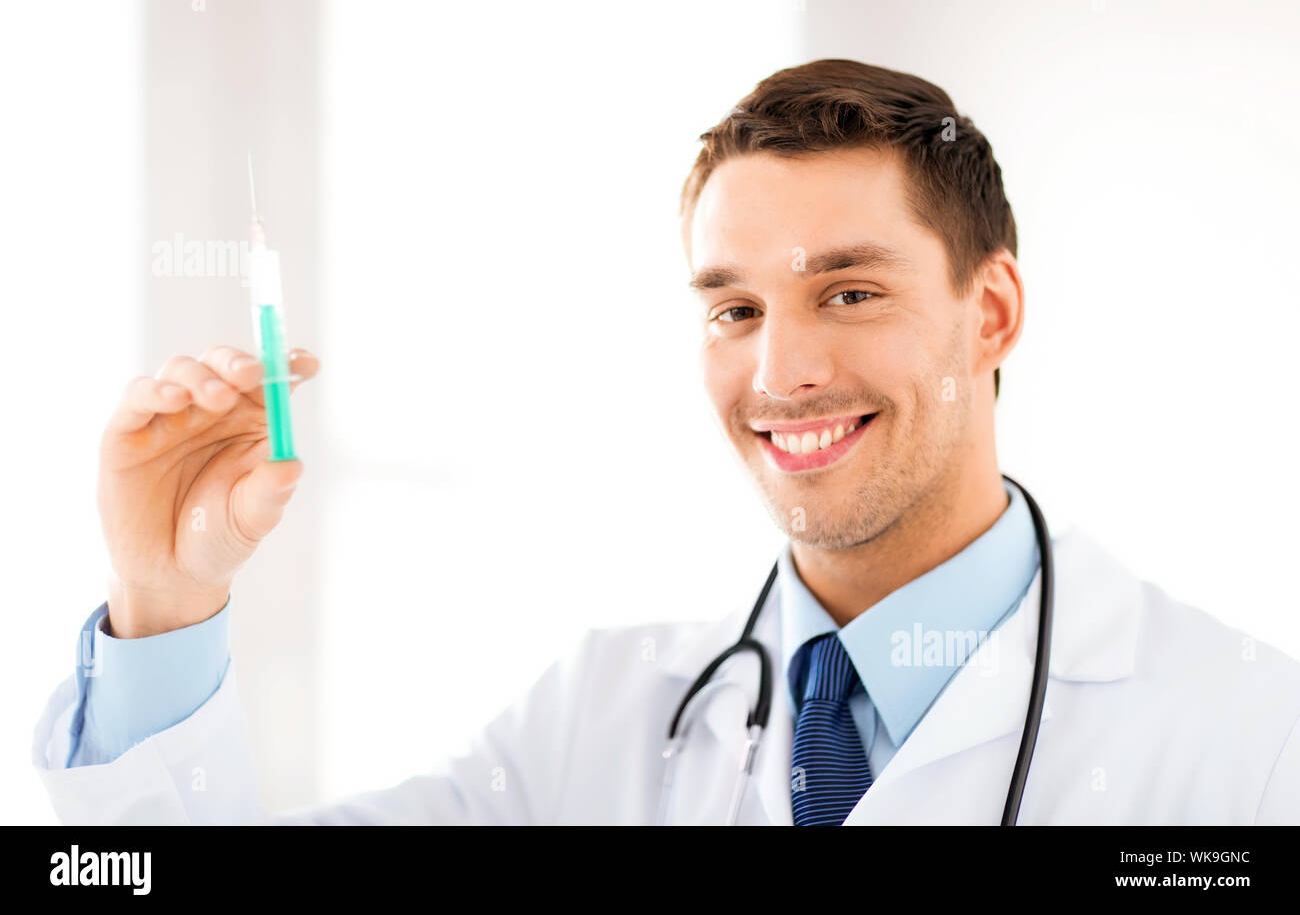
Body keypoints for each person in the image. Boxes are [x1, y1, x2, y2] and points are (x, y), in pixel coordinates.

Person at [33, 59, 1300, 824]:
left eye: (847, 291)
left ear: (993, 312)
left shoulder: (1244, 736)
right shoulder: (599, 726)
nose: (779, 371)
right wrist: (165, 595)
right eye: (733, 308)